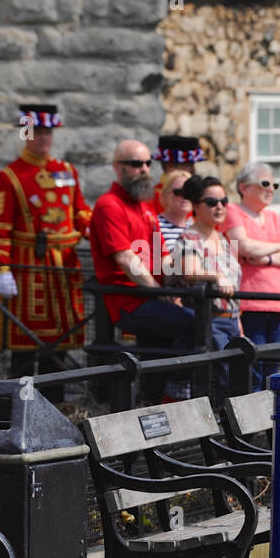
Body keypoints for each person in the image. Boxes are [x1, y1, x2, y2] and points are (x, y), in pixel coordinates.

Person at [0, 103, 92, 386]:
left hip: (65, 267)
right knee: (25, 347)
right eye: (38, 132)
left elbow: (80, 210)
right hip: (28, 267)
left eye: (49, 132)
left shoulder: (66, 170)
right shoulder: (8, 176)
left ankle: (56, 409)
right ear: (26, 134)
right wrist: (1, 267)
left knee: (58, 348)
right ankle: (15, 408)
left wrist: (92, 226)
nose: (44, 138)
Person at [90, 139, 198, 399]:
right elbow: (126, 260)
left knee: (159, 351)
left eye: (148, 163)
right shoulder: (109, 205)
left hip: (147, 297)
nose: (145, 169)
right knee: (193, 324)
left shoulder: (144, 206)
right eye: (137, 164)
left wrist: (183, 279)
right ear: (118, 167)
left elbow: (162, 256)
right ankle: (180, 394)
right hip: (128, 301)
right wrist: (158, 291)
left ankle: (155, 403)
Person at [222, 162, 280, 388]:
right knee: (253, 364)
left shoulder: (273, 216)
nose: (271, 189)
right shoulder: (233, 212)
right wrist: (276, 247)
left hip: (277, 301)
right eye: (265, 183)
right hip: (250, 300)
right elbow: (245, 247)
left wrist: (266, 258)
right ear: (244, 187)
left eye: (274, 184)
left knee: (272, 365)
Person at [170, 175, 242, 349]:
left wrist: (239, 325)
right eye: (211, 202)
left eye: (223, 201)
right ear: (195, 206)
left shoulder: (223, 240)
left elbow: (233, 285)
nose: (219, 207)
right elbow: (191, 272)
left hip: (231, 321)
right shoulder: (189, 238)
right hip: (207, 322)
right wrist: (217, 276)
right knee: (219, 374)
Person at [151, 134, 205, 215]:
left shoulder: (199, 195)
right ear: (170, 165)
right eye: (188, 164)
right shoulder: (152, 198)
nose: (194, 169)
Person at [156, 169, 192, 252]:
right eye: (179, 192)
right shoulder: (155, 225)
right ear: (165, 195)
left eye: (190, 192)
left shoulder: (196, 226)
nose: (185, 196)